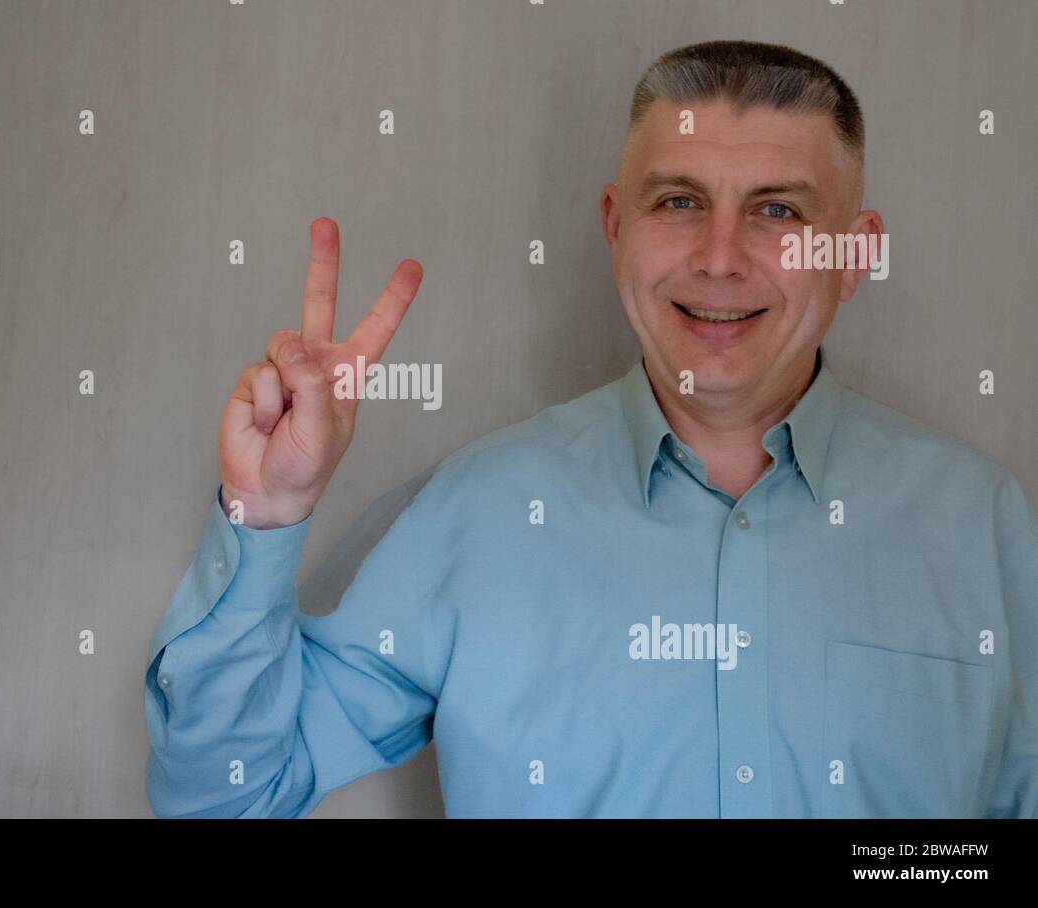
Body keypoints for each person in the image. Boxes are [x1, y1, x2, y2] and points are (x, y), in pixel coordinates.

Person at [144, 40, 1038, 818]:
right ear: (616, 228)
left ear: (854, 254)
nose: (719, 258)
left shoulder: (984, 526)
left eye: (779, 210)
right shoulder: (481, 512)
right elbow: (225, 798)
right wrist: (266, 515)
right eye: (679, 201)